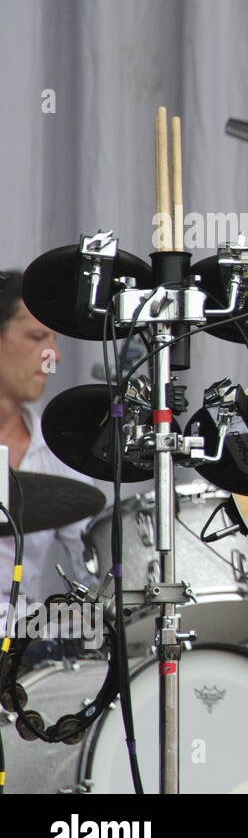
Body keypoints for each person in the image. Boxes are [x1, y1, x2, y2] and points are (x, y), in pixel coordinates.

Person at [0, 270, 100, 664]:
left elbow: (93, 569)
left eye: (55, 340)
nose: (54, 355)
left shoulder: (57, 448)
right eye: (38, 337)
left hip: (25, 651)